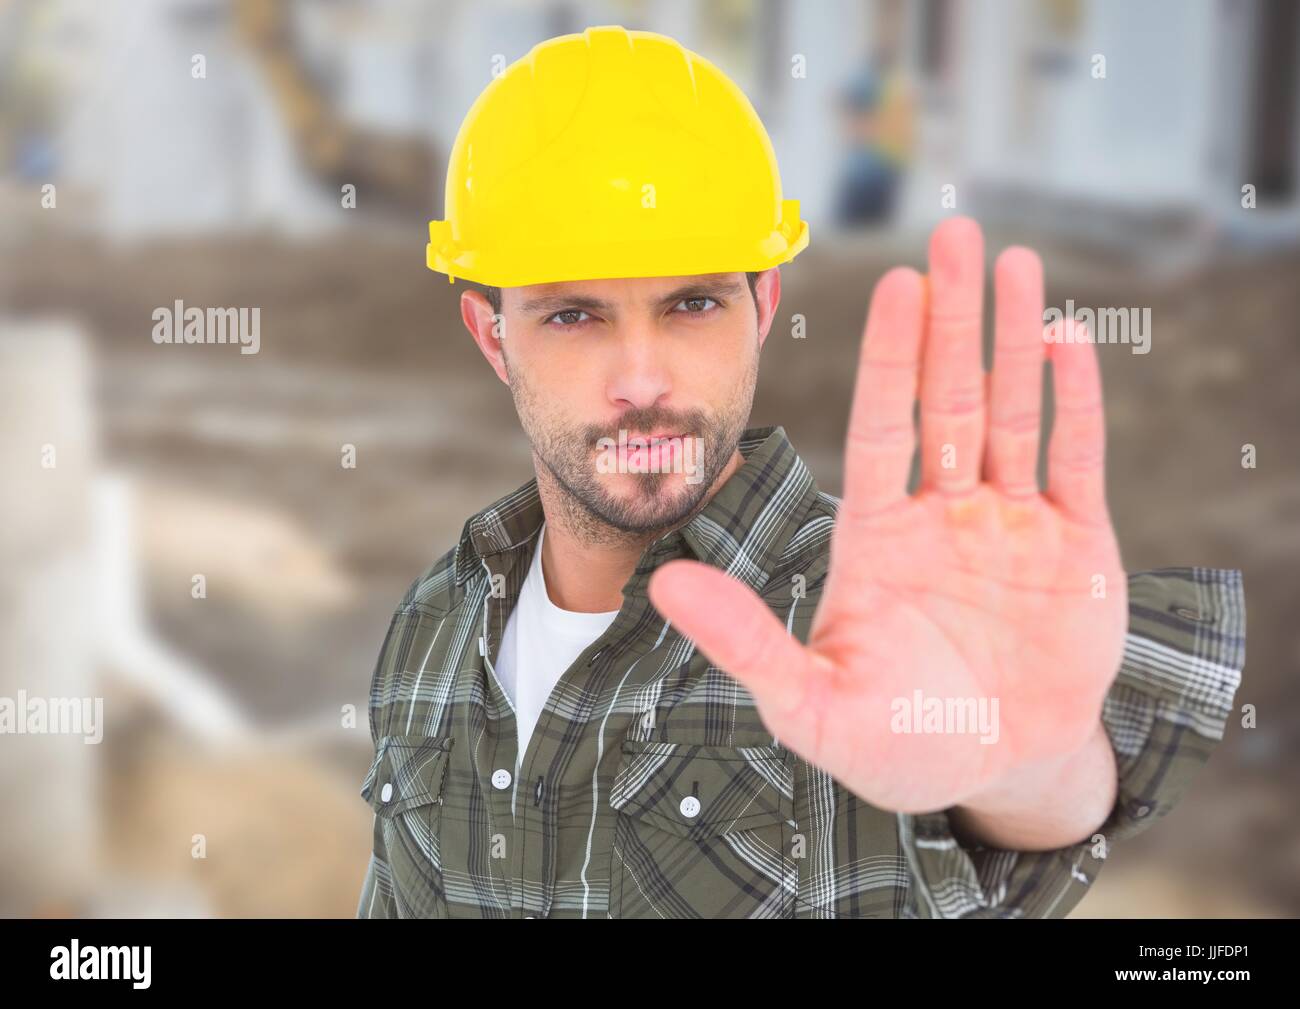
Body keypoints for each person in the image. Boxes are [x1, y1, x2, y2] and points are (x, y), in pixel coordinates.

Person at [356, 25, 1245, 919]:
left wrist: (1025, 763)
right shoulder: (433, 623)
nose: (642, 381)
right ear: (492, 337)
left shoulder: (879, 611)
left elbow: (1025, 795)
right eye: (573, 316)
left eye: (692, 303)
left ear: (764, 304)